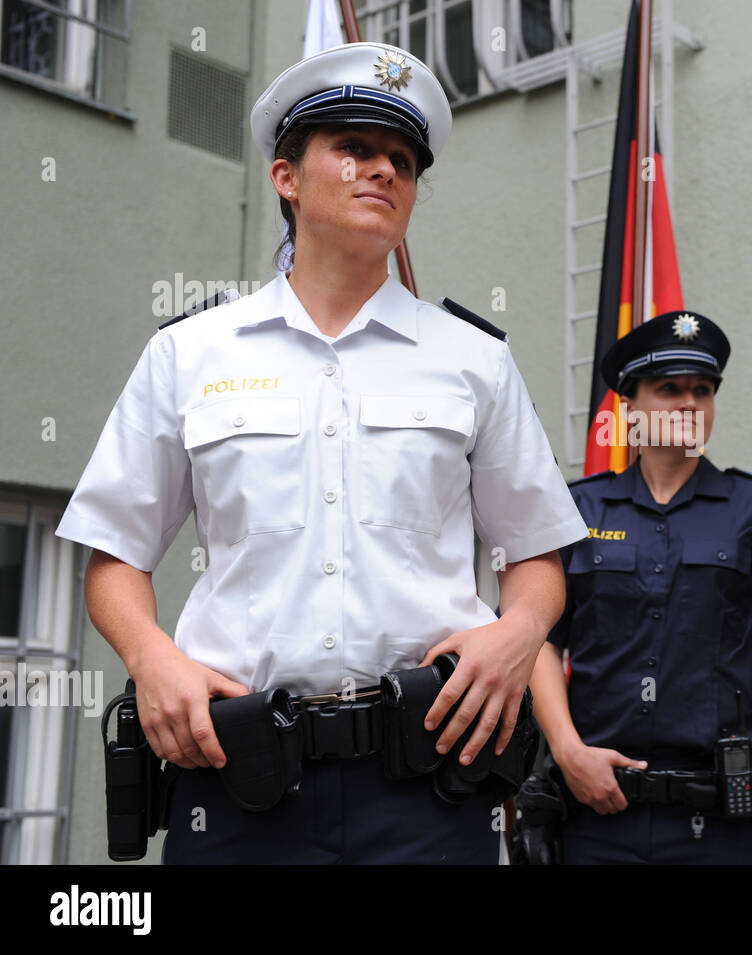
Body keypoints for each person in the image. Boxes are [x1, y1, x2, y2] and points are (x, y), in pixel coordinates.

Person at [55, 42, 589, 864]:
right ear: (286, 177)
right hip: (239, 783)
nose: (384, 171)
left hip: (434, 786)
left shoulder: (472, 360)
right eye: (355, 150)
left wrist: (520, 629)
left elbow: (537, 551)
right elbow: (113, 554)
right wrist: (150, 657)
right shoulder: (191, 354)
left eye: (403, 161)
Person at [529, 310, 752, 864]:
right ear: (630, 405)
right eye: (669, 389)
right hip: (598, 813)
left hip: (720, 821)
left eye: (702, 390)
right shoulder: (579, 509)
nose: (690, 403)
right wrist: (568, 750)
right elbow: (542, 642)